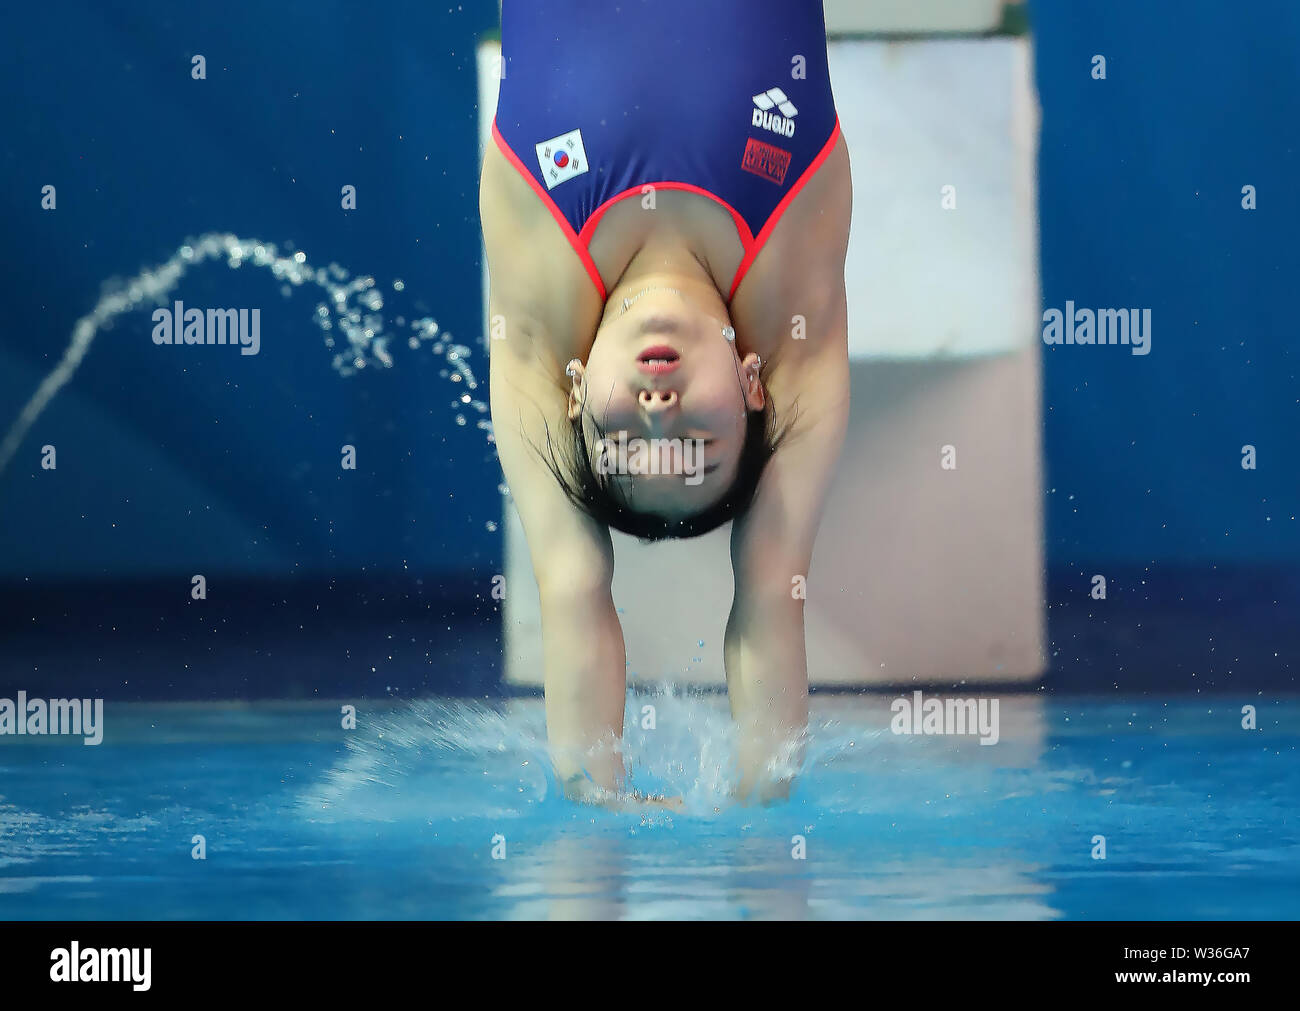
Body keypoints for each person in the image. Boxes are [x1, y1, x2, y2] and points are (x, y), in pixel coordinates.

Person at [479, 0, 851, 805]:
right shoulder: (793, 311)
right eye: (695, 442)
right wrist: (761, 799)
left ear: (574, 396)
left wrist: (595, 793)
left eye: (624, 439)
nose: (657, 407)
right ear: (754, 388)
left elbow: (572, 580)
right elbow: (771, 579)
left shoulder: (538, 328)